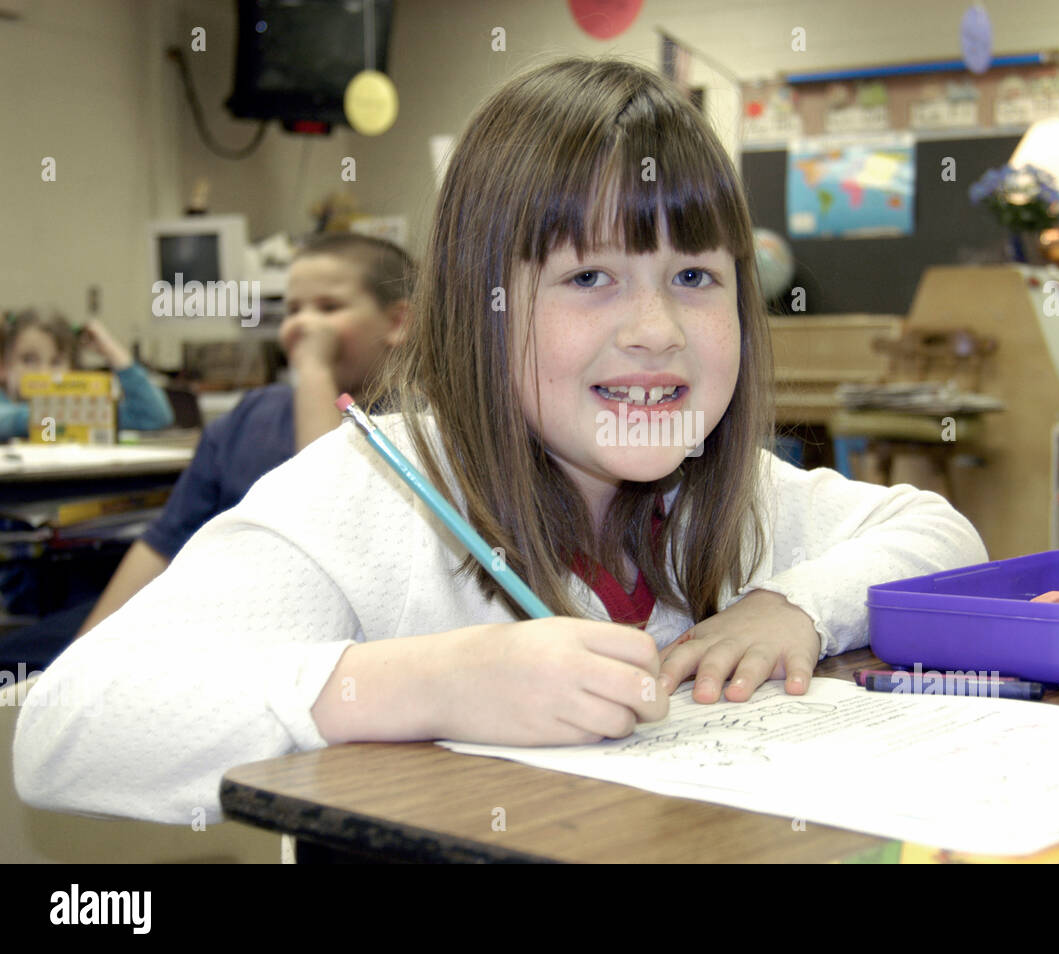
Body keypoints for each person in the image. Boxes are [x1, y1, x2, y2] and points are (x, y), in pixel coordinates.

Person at [14, 56, 987, 824]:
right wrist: (426, 682)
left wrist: (793, 607)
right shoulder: (366, 494)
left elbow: (942, 535)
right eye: (589, 277)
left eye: (694, 277)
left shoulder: (737, 500)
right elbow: (65, 729)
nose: (656, 328)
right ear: (480, 311)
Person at [69, 233, 413, 639]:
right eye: (293, 309)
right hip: (213, 631)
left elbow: (326, 506)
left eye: (328, 307)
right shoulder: (251, 415)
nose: (302, 324)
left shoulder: (413, 426)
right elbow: (161, 545)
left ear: (396, 323)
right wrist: (81, 652)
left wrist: (316, 373)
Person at [0, 310, 173, 440]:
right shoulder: (7, 410)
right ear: (3, 367)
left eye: (56, 363)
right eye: (28, 361)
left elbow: (153, 415)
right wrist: (55, 414)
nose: (43, 373)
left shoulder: (78, 408)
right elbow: (8, 420)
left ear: (72, 371)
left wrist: (113, 353)